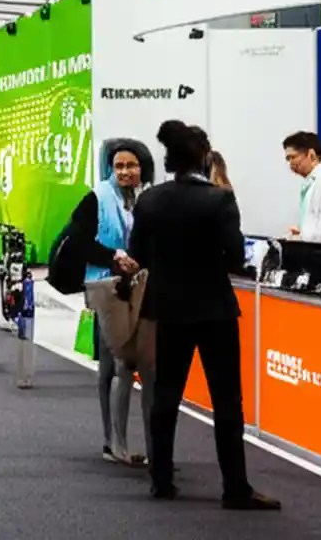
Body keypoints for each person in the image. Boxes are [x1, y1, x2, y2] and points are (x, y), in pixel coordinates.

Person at [129, 121, 279, 510]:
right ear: (203, 157)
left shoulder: (150, 201)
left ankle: (161, 480)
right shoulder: (220, 200)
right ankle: (235, 488)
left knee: (165, 396)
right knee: (227, 400)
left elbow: (139, 255)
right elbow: (234, 256)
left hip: (168, 309)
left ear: (168, 159)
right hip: (214, 309)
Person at [71, 139, 155, 468]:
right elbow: (77, 240)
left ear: (142, 167)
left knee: (142, 369)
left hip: (142, 288)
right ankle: (114, 442)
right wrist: (112, 256)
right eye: (118, 166)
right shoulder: (97, 197)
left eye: (130, 166)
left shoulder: (150, 197)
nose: (124, 172)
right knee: (113, 366)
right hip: (108, 289)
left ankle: (150, 444)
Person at [283, 131, 321, 252]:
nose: (291, 164)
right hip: (316, 255)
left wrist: (301, 237)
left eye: (293, 157)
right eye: (288, 159)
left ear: (311, 155)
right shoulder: (312, 184)